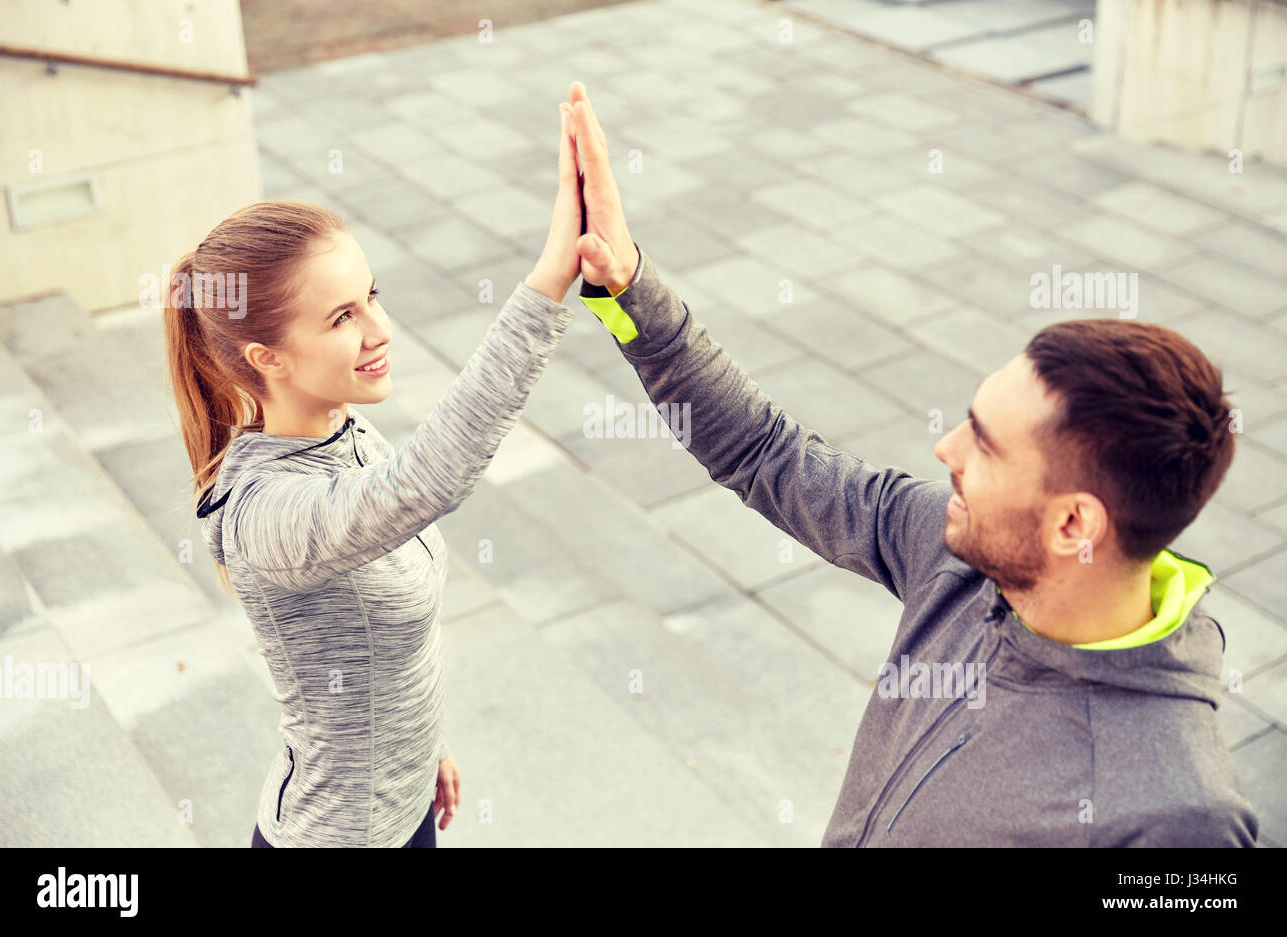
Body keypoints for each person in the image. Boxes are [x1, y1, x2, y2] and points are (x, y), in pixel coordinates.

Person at [564, 81, 1258, 846]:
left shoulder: (1178, 813)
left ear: (1072, 522)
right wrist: (626, 281)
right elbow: (767, 453)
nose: (945, 451)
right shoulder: (960, 553)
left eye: (984, 444)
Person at [164, 102, 585, 847]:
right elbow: (431, 480)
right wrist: (551, 278)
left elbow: (375, 648)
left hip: (404, 810)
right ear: (269, 358)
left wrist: (425, 749)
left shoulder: (347, 429)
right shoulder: (267, 512)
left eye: (373, 297)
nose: (380, 329)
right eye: (340, 318)